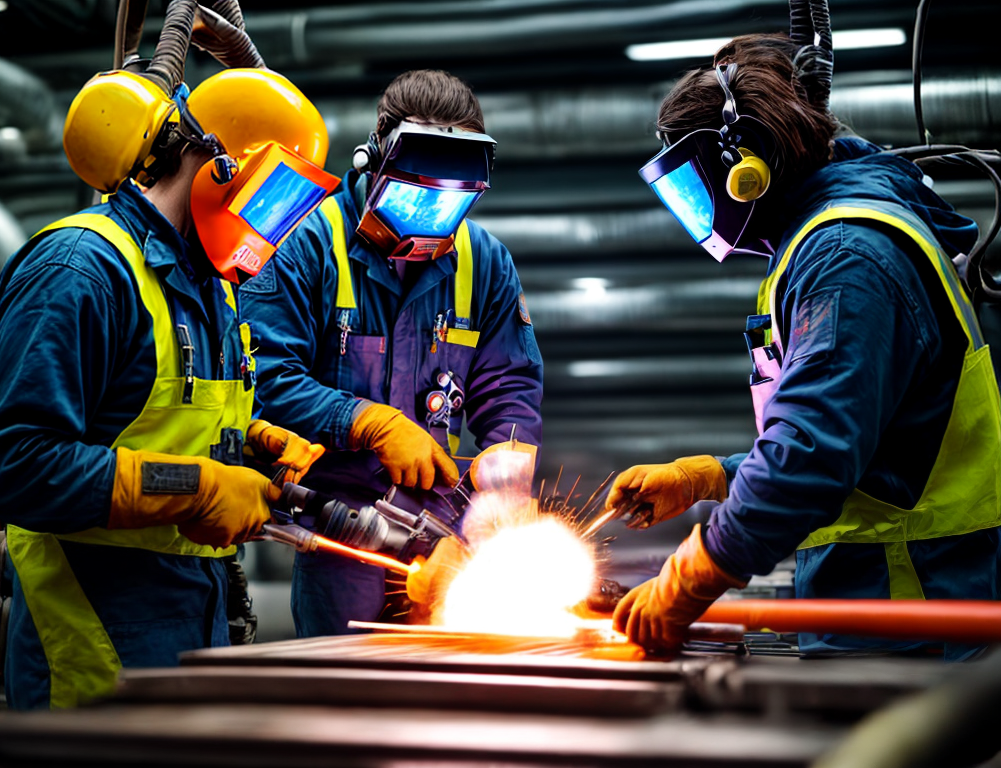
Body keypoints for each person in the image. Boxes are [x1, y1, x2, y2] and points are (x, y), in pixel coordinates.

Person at [607, 31, 1001, 660]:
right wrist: (707, 477)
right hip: (888, 608)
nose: (696, 214)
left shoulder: (846, 258)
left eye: (693, 188)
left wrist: (694, 574)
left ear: (746, 169)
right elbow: (870, 460)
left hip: (912, 619)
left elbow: (813, 458)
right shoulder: (828, 242)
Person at [0, 56, 335, 708]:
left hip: (188, 642)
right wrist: (195, 487)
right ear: (218, 166)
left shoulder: (213, 290)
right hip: (92, 663)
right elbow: (14, 468)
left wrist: (251, 444)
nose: (277, 226)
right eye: (275, 195)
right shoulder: (82, 270)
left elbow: (152, 415)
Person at [241, 69, 544, 637]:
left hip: (444, 526)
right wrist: (368, 423)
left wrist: (504, 483)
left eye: (448, 203)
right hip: (340, 527)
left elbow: (511, 388)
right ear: (374, 161)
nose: (431, 216)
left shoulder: (485, 263)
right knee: (346, 691)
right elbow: (262, 379)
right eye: (415, 194)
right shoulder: (302, 240)